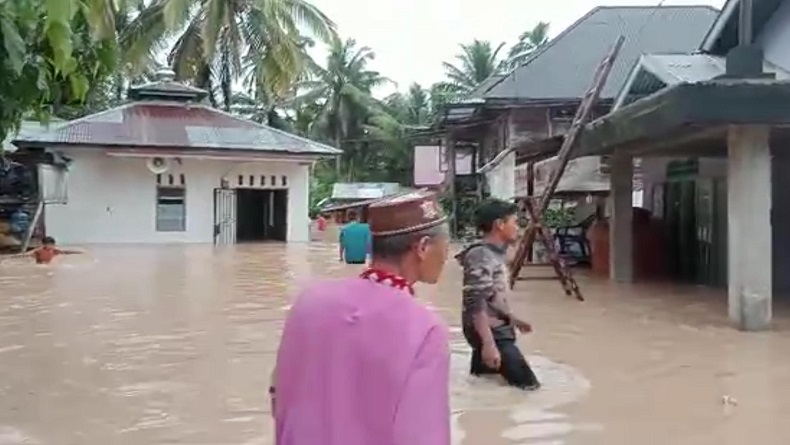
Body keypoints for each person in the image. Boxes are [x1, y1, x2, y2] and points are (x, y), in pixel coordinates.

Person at [273, 190, 452, 445]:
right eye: (446, 244)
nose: (447, 255)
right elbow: (422, 433)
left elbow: (279, 398)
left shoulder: (309, 301)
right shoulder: (424, 329)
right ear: (422, 247)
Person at [455, 198, 540, 390]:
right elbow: (475, 301)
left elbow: (491, 296)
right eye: (515, 222)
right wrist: (489, 343)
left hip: (493, 331)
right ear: (500, 225)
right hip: (493, 334)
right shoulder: (481, 255)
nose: (518, 228)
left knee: (484, 386)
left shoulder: (493, 254)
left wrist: (513, 319)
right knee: (529, 388)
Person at [2, 236, 83, 265]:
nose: (51, 246)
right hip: (40, 266)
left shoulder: (54, 251)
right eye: (49, 245)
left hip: (48, 267)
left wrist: (78, 252)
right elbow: (25, 255)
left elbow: (66, 252)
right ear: (44, 244)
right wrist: (10, 257)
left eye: (52, 244)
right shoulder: (38, 251)